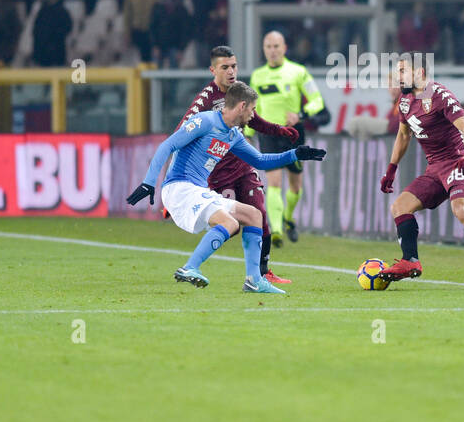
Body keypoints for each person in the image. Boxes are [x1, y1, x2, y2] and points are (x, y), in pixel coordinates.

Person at [126, 80, 326, 294]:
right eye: (252, 109)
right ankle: (189, 268)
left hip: (198, 191)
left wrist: (295, 154)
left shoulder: (233, 135)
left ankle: (254, 280)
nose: (253, 115)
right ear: (241, 107)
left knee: (253, 215)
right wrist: (149, 182)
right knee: (229, 222)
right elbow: (168, 145)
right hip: (180, 188)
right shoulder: (204, 121)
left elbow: (260, 160)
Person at [170, 45, 300, 285]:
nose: (231, 72)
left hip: (243, 165)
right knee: (232, 225)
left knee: (258, 213)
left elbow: (255, 120)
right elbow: (180, 137)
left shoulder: (239, 93)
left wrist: (279, 130)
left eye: (234, 66)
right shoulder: (204, 102)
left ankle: (262, 272)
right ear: (213, 70)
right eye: (225, 67)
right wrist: (179, 189)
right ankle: (194, 266)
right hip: (217, 174)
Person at [378, 54, 464, 286]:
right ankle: (410, 261)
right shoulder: (406, 100)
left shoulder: (437, 94)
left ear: (419, 73)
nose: (398, 77)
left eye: (402, 71)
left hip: (458, 162)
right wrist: (391, 168)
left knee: (461, 209)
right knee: (400, 207)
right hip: (435, 168)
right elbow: (403, 135)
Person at [249, 30, 330, 247]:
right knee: (273, 181)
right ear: (263, 50)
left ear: (284, 48)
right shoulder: (258, 76)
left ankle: (288, 217)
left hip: (293, 133)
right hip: (268, 134)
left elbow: (317, 101)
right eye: (268, 46)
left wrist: (301, 115)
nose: (272, 50)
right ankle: (276, 230)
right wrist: (248, 133)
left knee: (295, 186)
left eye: (276, 46)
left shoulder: (298, 72)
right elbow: (253, 107)